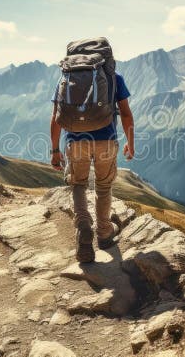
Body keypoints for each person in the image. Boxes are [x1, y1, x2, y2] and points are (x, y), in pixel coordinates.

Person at [50, 71, 134, 263]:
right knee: (103, 186)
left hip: (76, 141)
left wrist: (55, 150)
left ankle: (83, 227)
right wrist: (131, 142)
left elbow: (56, 117)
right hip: (106, 141)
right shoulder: (114, 77)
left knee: (78, 184)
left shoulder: (67, 78)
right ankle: (104, 232)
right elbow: (126, 113)